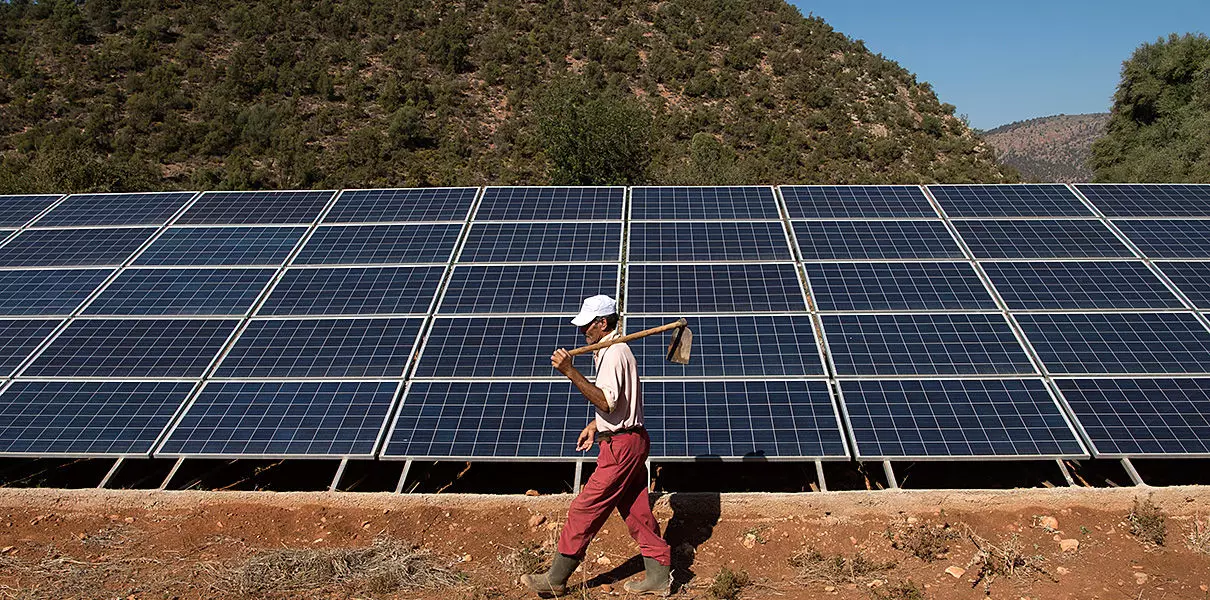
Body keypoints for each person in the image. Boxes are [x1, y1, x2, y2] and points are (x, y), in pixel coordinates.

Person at [521, 294, 672, 597]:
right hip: (627, 439)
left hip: (621, 446)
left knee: (583, 508)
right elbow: (619, 405)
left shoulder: (615, 353)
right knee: (636, 509)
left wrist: (569, 372)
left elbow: (606, 400)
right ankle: (658, 575)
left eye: (587, 325)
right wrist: (596, 426)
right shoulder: (610, 351)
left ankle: (556, 579)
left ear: (603, 323)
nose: (582, 332)